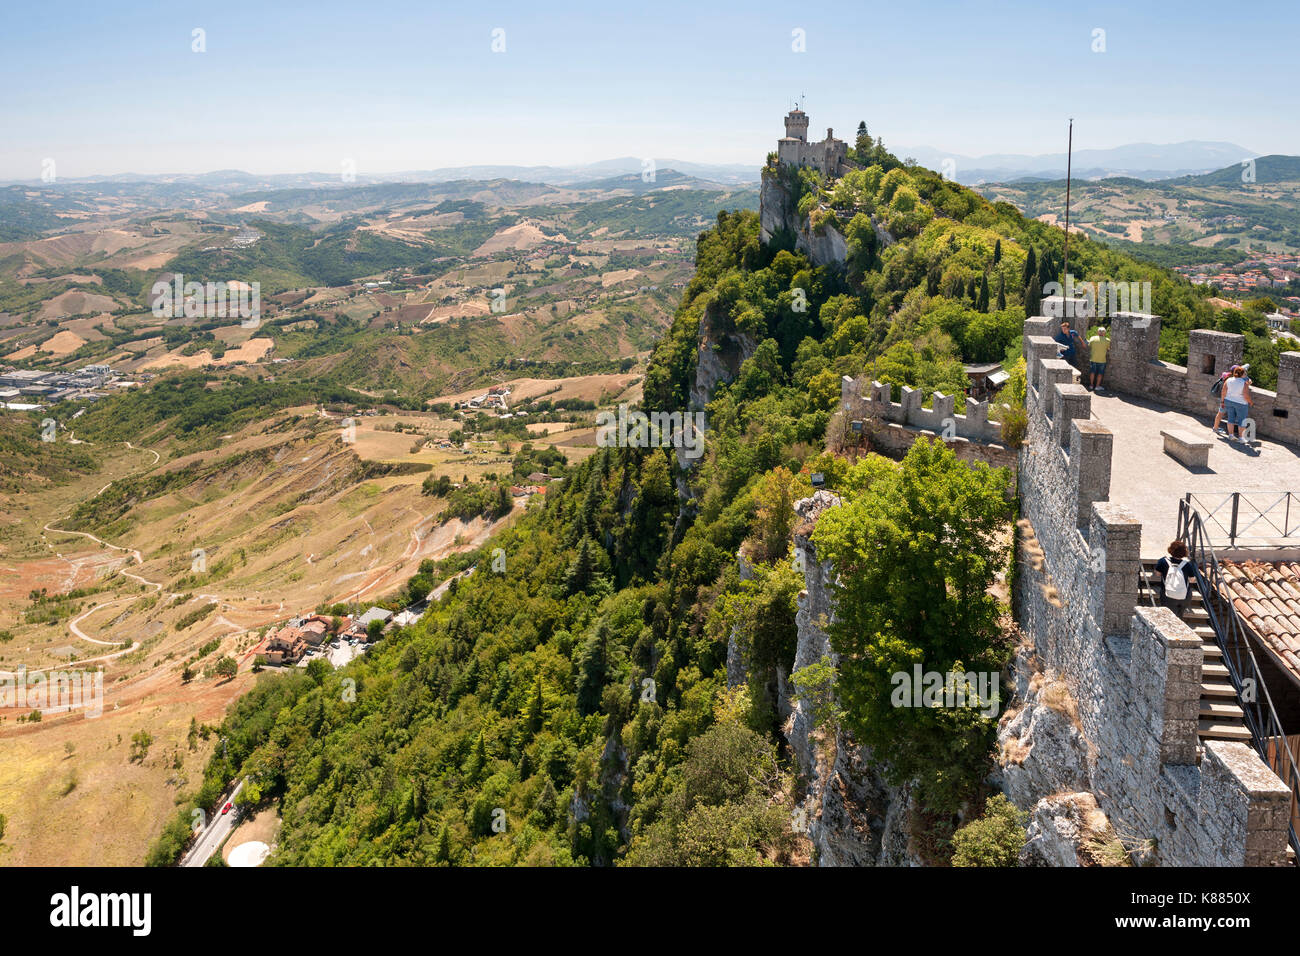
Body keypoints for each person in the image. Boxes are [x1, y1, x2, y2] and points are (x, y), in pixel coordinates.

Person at [1154, 540, 1198, 618]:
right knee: (1179, 617)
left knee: (1168, 617)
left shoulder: (1163, 561)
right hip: (1184, 596)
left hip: (1168, 595)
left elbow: (1157, 574)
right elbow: (1192, 580)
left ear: (1171, 550)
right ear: (1184, 552)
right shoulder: (1187, 565)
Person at [1222, 364, 1253, 443]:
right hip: (1241, 403)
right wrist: (1250, 402)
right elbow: (1246, 395)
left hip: (1228, 401)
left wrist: (1222, 401)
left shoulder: (1228, 380)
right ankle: (1241, 438)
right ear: (1242, 374)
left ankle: (1231, 435)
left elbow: (1223, 391)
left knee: (1230, 418)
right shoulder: (1244, 383)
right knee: (1242, 420)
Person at [1086, 326, 1110, 391]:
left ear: (1097, 332)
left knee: (1092, 372)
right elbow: (1108, 348)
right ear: (1104, 333)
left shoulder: (1092, 338)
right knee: (1100, 373)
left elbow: (1089, 345)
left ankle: (1091, 385)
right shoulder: (1107, 340)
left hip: (1093, 358)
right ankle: (1097, 386)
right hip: (1102, 360)